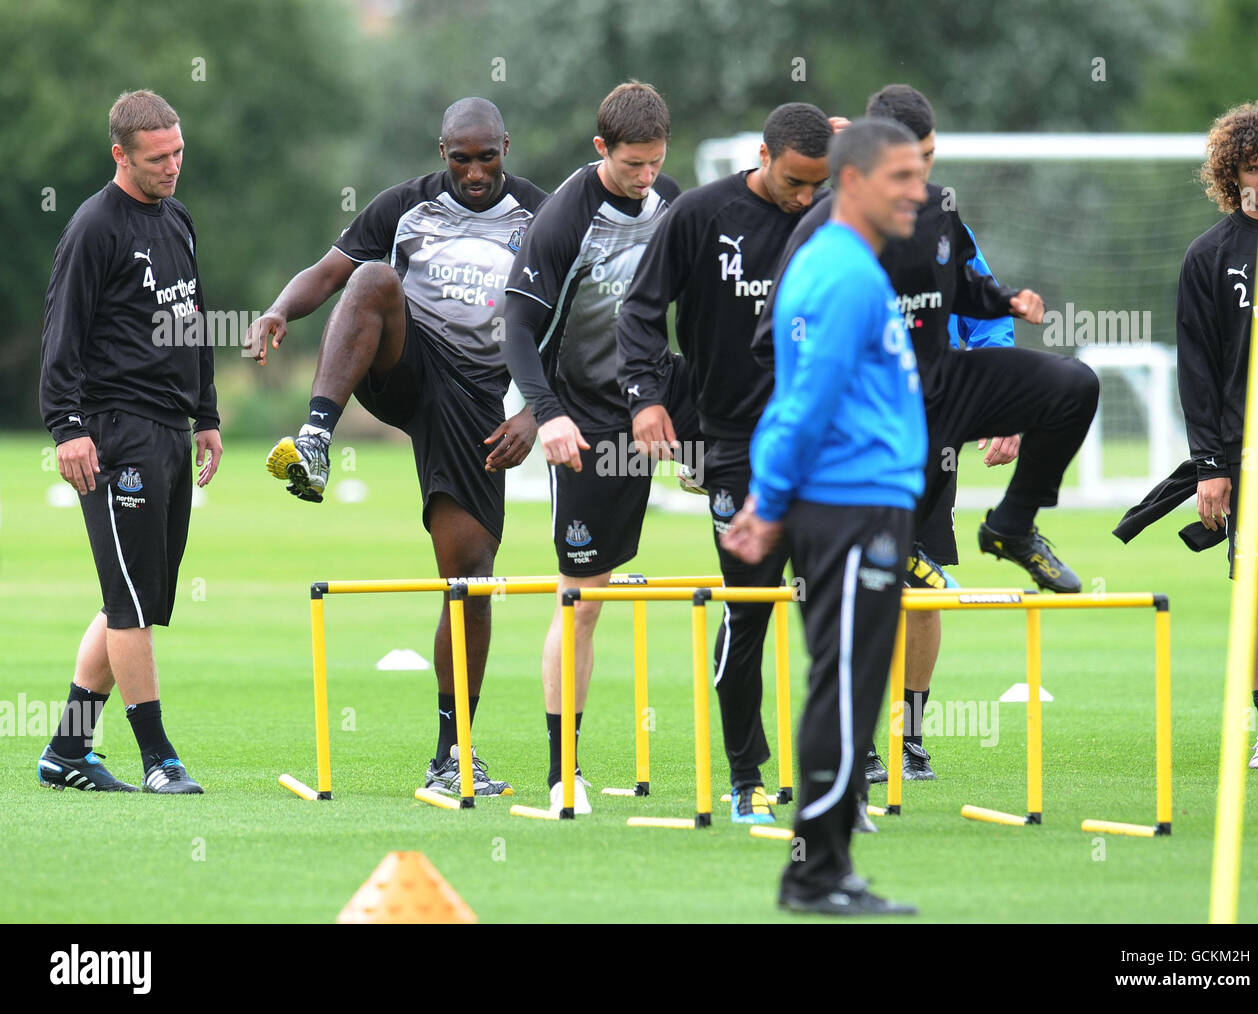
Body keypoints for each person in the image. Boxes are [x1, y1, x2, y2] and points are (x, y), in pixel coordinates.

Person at [757, 85, 1098, 792]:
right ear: (873, 167)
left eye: (929, 165)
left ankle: (1011, 525)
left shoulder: (939, 207)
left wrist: (1006, 303)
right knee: (872, 594)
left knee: (1072, 385)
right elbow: (776, 345)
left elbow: (964, 284)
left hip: (946, 385)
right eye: (908, 172)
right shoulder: (828, 237)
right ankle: (850, 769)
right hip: (877, 424)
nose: (924, 186)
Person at [243, 98, 546, 796]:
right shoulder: (403, 207)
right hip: (408, 367)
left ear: (507, 145)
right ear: (441, 151)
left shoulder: (541, 214)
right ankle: (316, 440)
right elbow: (328, 271)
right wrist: (279, 309)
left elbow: (568, 320)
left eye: (487, 157)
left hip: (475, 398)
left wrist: (534, 412)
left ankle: (453, 754)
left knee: (468, 578)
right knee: (372, 278)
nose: (474, 172)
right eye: (460, 158)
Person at [723, 116, 927, 915]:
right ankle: (814, 874)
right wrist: (768, 504)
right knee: (843, 689)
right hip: (850, 506)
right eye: (901, 177)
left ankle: (829, 869)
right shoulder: (841, 274)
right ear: (853, 182)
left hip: (864, 501)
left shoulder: (847, 267)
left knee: (849, 684)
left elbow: (795, 397)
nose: (919, 191)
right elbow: (804, 403)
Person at [616, 102, 832, 823]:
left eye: (818, 185)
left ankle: (834, 780)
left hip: (824, 442)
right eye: (795, 182)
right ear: (764, 155)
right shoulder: (700, 215)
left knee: (833, 613)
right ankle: (747, 780)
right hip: (734, 444)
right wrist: (648, 399)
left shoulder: (836, 213)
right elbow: (640, 311)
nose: (806, 199)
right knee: (750, 610)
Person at [502, 81, 697, 814]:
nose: (645, 178)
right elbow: (518, 331)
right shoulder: (563, 219)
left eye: (654, 163)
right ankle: (564, 771)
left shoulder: (670, 199)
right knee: (584, 600)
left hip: (658, 391)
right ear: (600, 151)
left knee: (747, 417)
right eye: (631, 166)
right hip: (587, 420)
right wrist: (546, 415)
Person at [38, 89, 219, 794]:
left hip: (169, 432)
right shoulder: (94, 227)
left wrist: (205, 415)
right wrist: (67, 428)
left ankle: (66, 751)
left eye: (178, 151)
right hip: (115, 432)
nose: (173, 167)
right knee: (132, 604)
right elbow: (62, 334)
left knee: (134, 594)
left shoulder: (178, 219)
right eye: (157, 158)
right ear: (121, 154)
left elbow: (193, 322)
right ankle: (158, 759)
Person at [1176, 99, 1258, 769]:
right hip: (1252, 454)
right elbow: (1196, 372)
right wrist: (1210, 466)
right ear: (1233, 173)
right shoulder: (1208, 257)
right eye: (1254, 167)